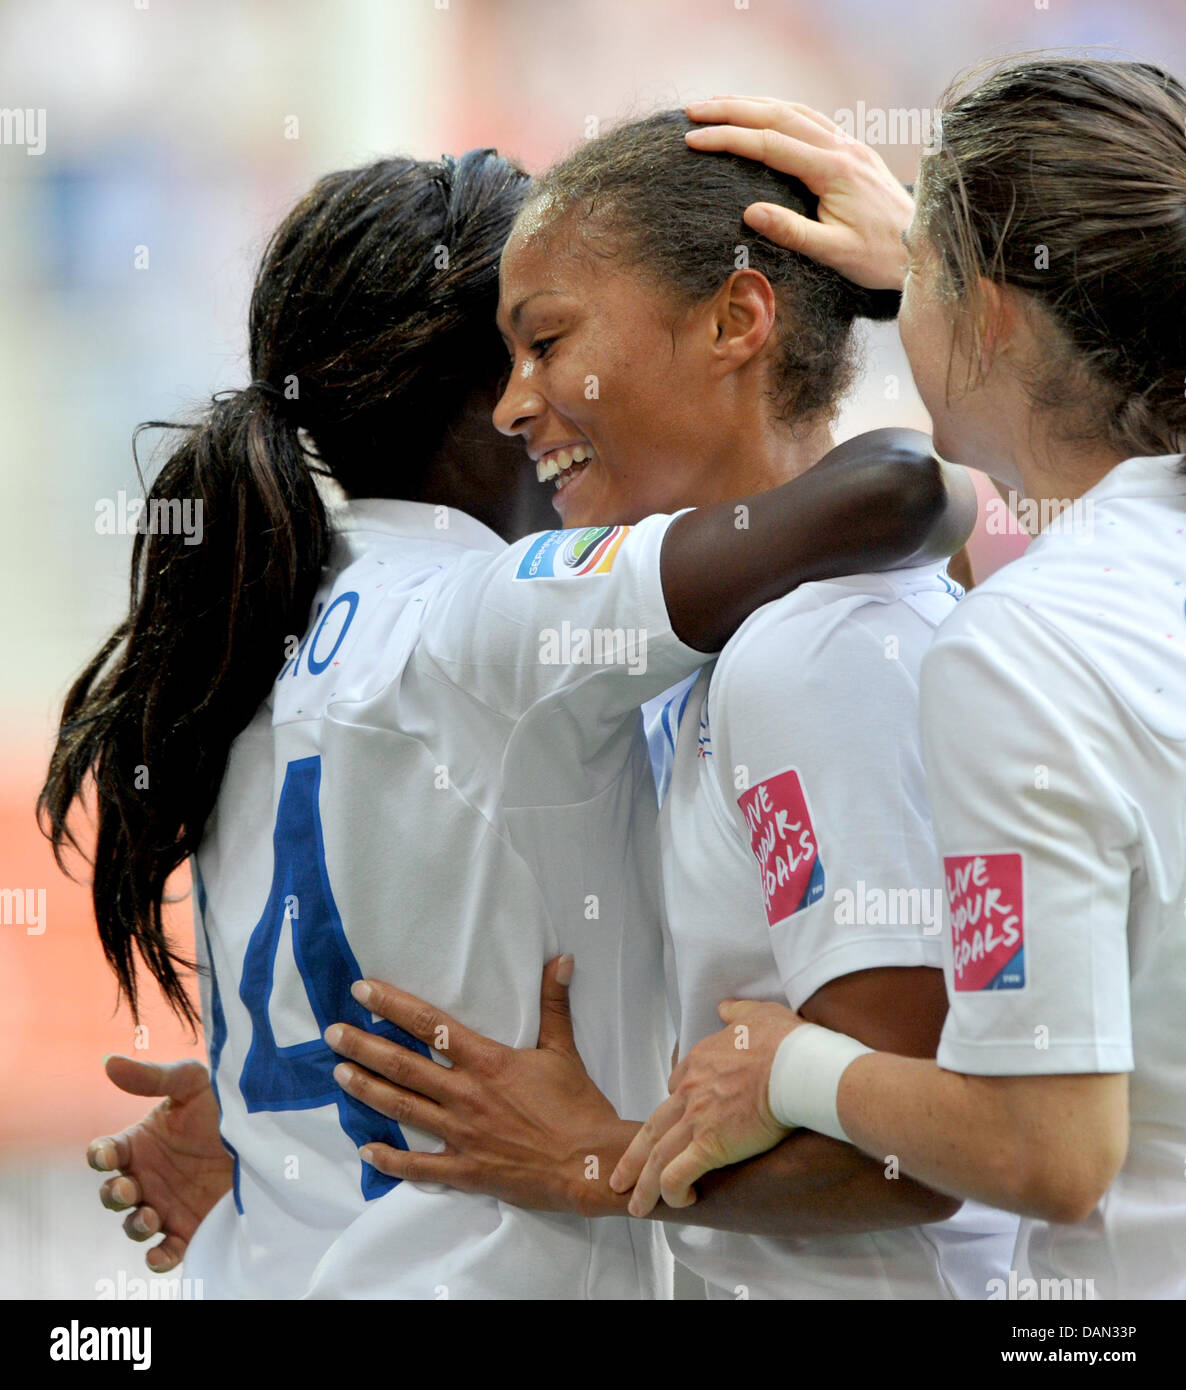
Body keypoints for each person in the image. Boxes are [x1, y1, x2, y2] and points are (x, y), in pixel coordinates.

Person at [56, 148, 969, 1298]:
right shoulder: (499, 614)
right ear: (480, 380)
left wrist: (268, 1121)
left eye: (558, 343)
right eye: (525, 344)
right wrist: (918, 282)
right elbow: (895, 488)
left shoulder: (245, 624)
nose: (532, 395)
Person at [299, 111, 1015, 1300]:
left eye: (546, 343)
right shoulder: (707, 658)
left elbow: (913, 1153)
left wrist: (589, 1164)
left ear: (736, 320)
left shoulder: (819, 654)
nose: (513, 406)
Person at [611, 62, 1186, 1301]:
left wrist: (787, 1065)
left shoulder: (1024, 646)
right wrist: (935, 261)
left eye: (915, 271)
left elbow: (1050, 1150)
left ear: (987, 318)